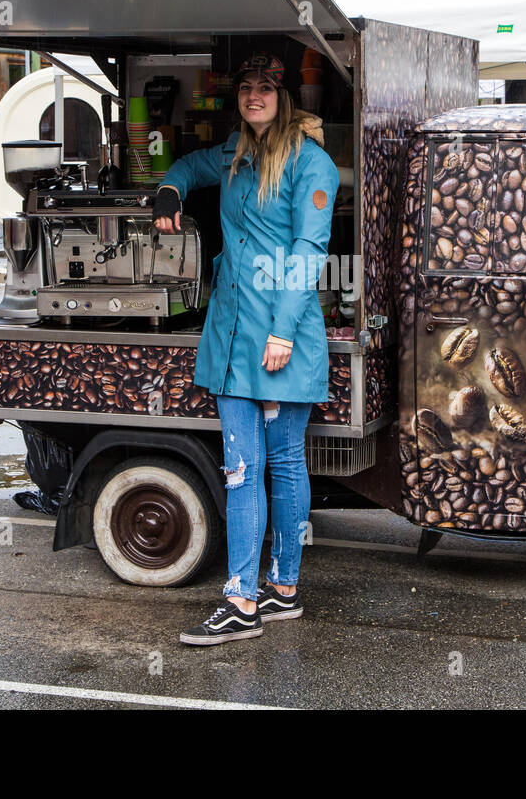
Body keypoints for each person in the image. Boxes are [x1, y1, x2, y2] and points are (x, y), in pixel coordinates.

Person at [153, 52, 338, 646]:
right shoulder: (236, 154)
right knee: (256, 467)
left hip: (280, 337)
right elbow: (185, 166)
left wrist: (283, 331)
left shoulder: (312, 164)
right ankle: (274, 592)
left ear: (283, 96)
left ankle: (247, 600)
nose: (254, 96)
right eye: (246, 88)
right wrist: (167, 193)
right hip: (235, 334)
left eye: (265, 87)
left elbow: (310, 253)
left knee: (262, 468)